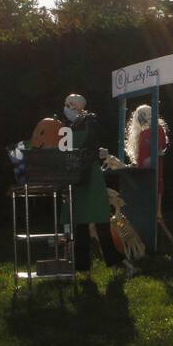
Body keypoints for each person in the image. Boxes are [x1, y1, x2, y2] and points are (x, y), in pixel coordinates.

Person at [61, 93, 120, 275]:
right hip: (76, 178)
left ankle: (114, 262)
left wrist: (91, 155)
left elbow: (92, 149)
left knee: (101, 219)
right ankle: (82, 267)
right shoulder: (66, 128)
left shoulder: (91, 123)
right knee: (80, 224)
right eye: (66, 104)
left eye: (71, 105)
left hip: (91, 176)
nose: (67, 108)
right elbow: (64, 151)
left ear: (80, 107)